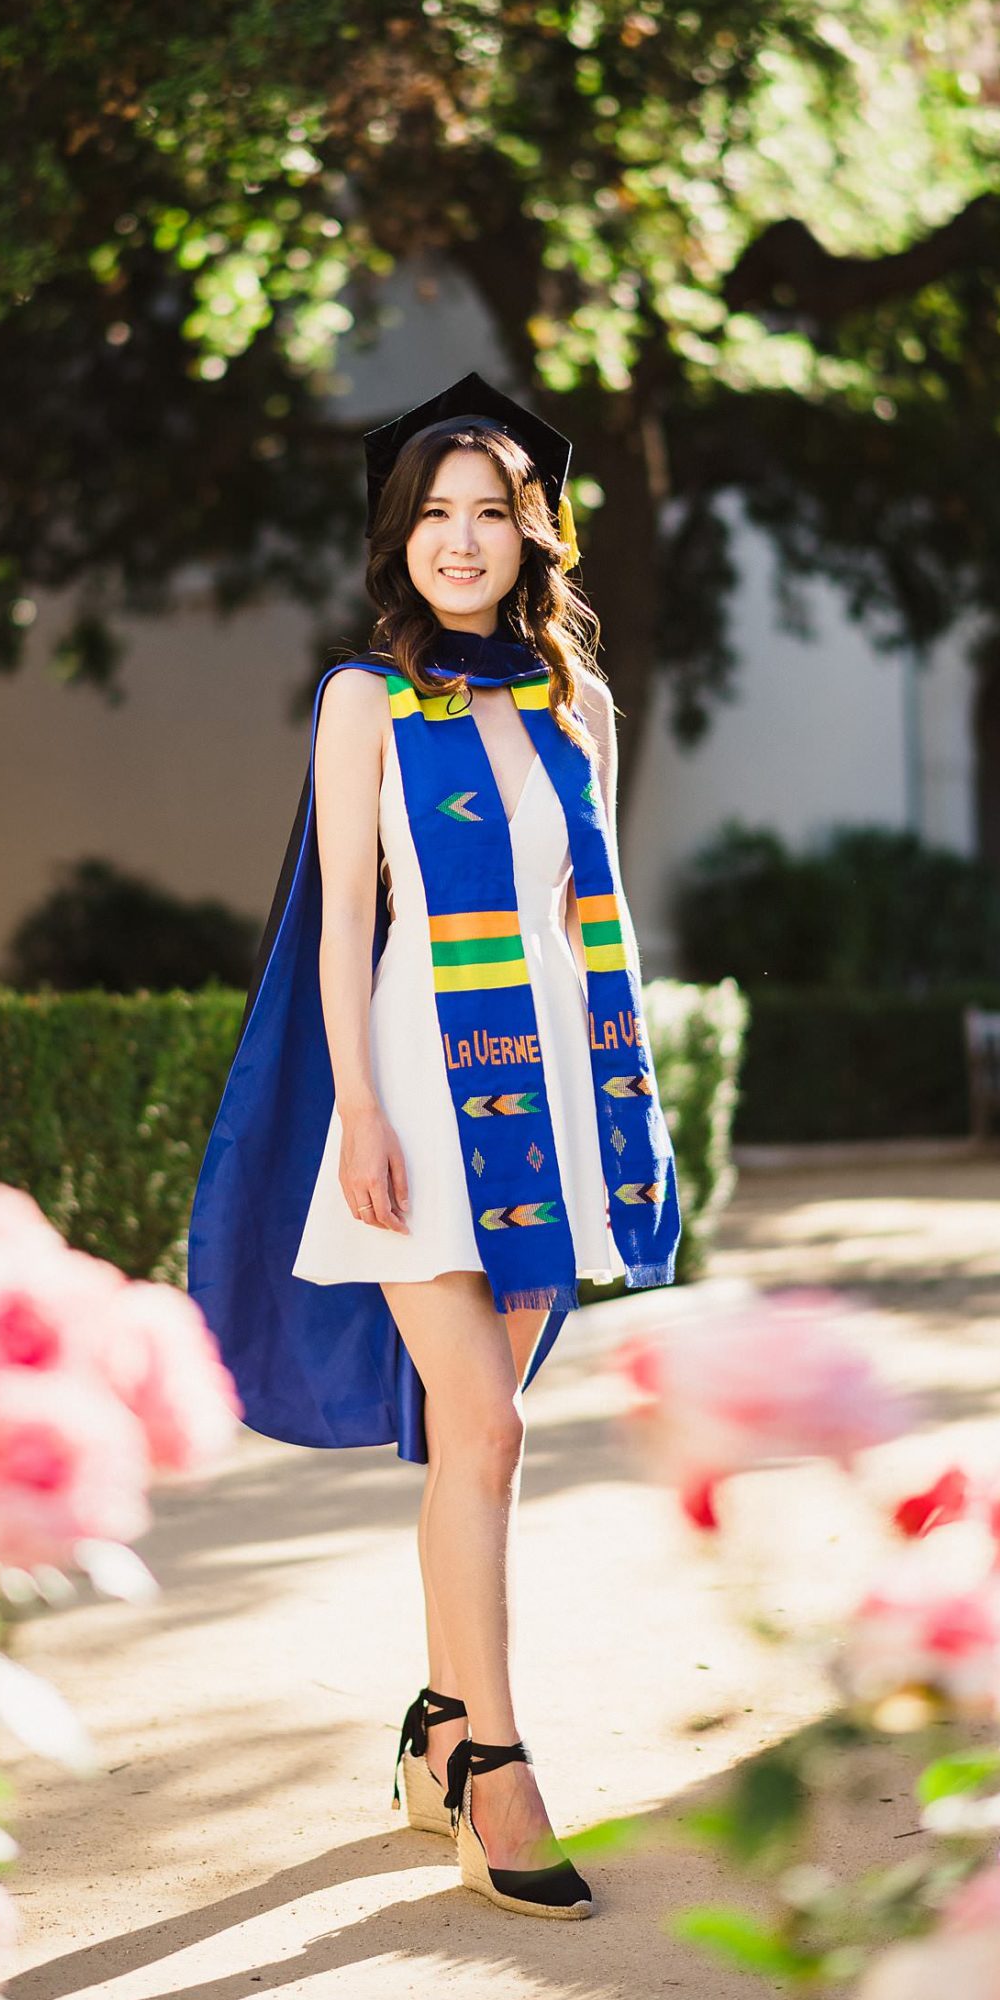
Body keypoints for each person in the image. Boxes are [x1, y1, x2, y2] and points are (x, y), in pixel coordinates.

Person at [187, 371, 680, 1919]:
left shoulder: (576, 705)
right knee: (492, 1430)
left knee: (473, 1437)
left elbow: (591, 927)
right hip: (415, 1091)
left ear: (533, 533)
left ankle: (437, 1729)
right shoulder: (365, 700)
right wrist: (363, 1111)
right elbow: (343, 922)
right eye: (434, 517)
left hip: (548, 1106)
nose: (460, 542)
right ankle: (500, 1769)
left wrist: (634, 1107)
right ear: (396, 539)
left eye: (490, 514)